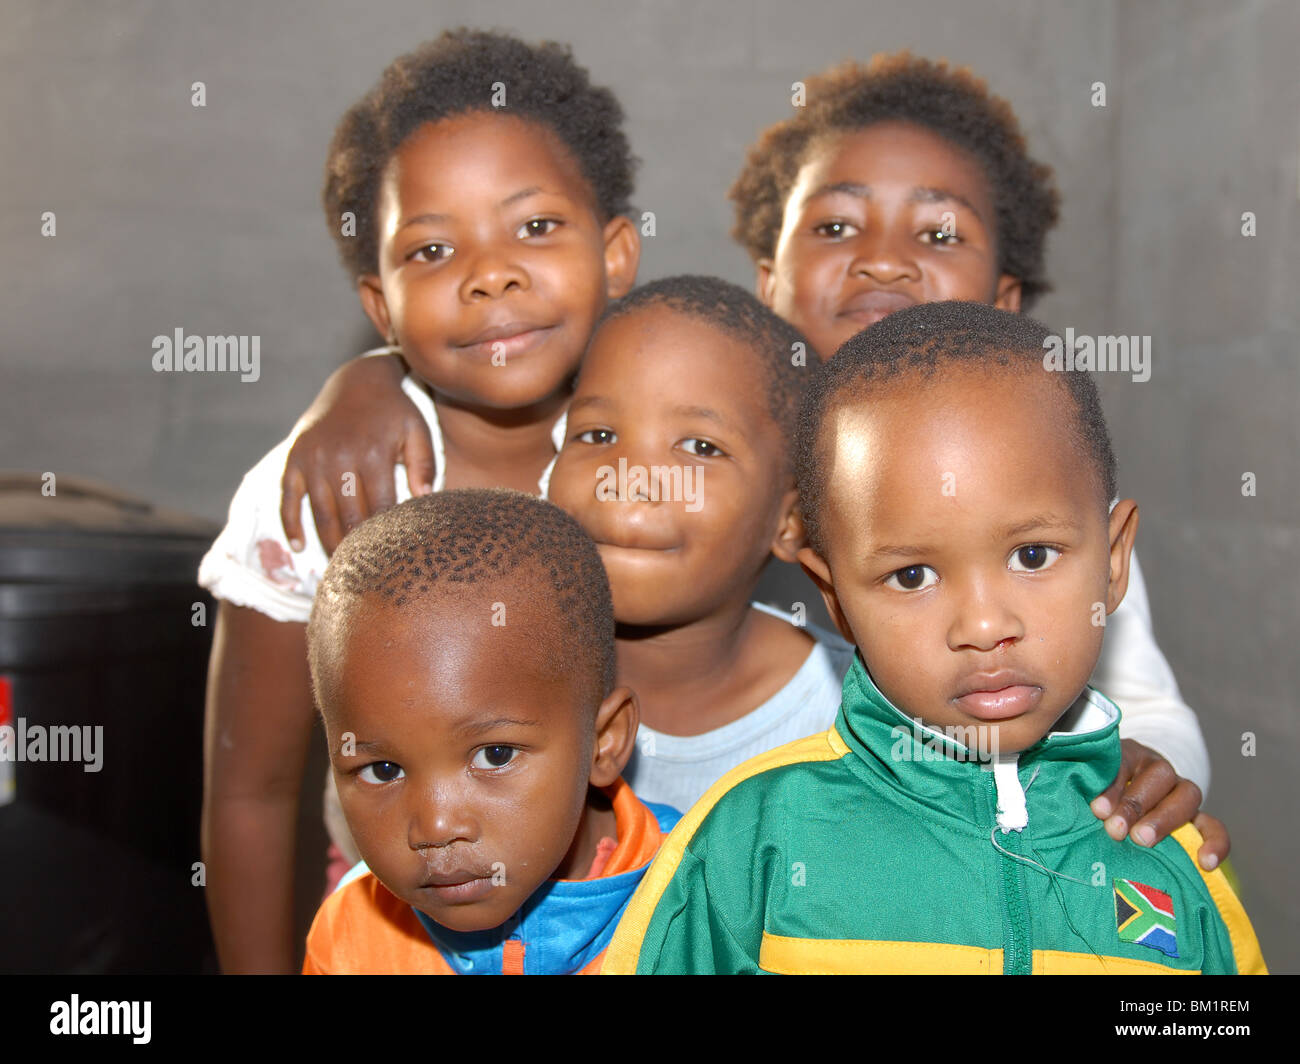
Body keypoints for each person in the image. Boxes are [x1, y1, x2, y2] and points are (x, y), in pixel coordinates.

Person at [277, 52, 1225, 867]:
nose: (883, 261)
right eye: (834, 227)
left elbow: (1140, 696)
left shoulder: (1029, 488)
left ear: (1005, 297)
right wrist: (381, 377)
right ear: (766, 279)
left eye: (936, 234)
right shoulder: (718, 409)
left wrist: (1141, 764)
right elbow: (531, 356)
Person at [603, 302, 1266, 975]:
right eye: (912, 574)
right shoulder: (752, 847)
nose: (983, 627)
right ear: (834, 599)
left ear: (1115, 563)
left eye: (1032, 556)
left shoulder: (1179, 871)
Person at [198, 28, 640, 973]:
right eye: (434, 248)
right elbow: (253, 793)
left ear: (617, 254)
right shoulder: (322, 494)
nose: (490, 273)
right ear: (381, 306)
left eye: (534, 227)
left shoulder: (670, 457)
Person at [302, 489, 678, 974]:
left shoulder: (702, 904)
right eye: (383, 769)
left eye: (495, 755)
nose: (436, 828)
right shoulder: (351, 936)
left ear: (604, 740)